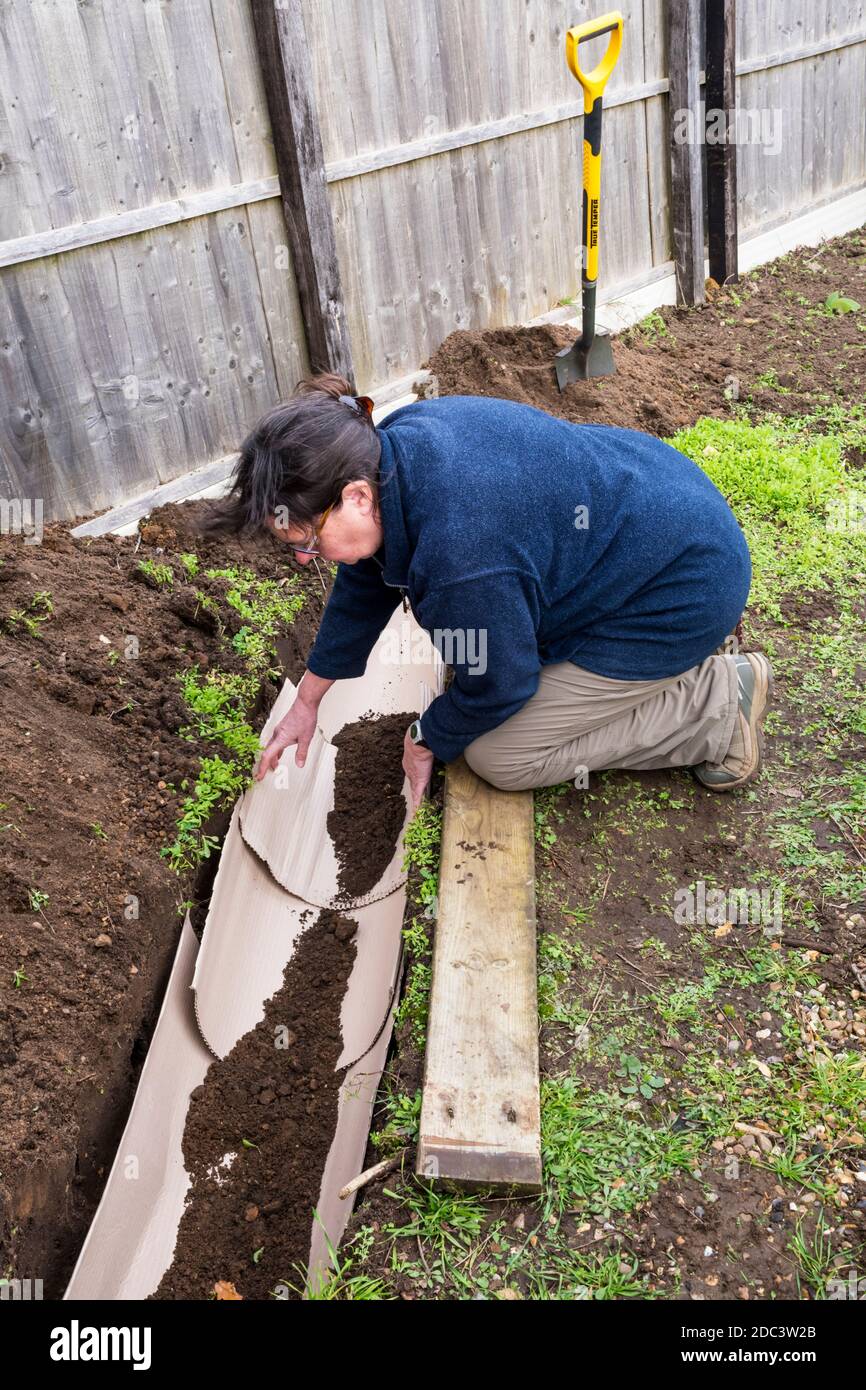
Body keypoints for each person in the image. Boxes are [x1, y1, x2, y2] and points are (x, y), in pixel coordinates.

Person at [207, 373, 772, 809]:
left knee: (499, 753)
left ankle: (718, 706)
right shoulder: (397, 446)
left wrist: (430, 735)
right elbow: (368, 570)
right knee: (484, 656)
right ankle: (667, 671)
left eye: (308, 538)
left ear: (355, 497)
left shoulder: (460, 559)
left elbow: (505, 683)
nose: (308, 557)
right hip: (663, 504)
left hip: (681, 591)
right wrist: (308, 700)